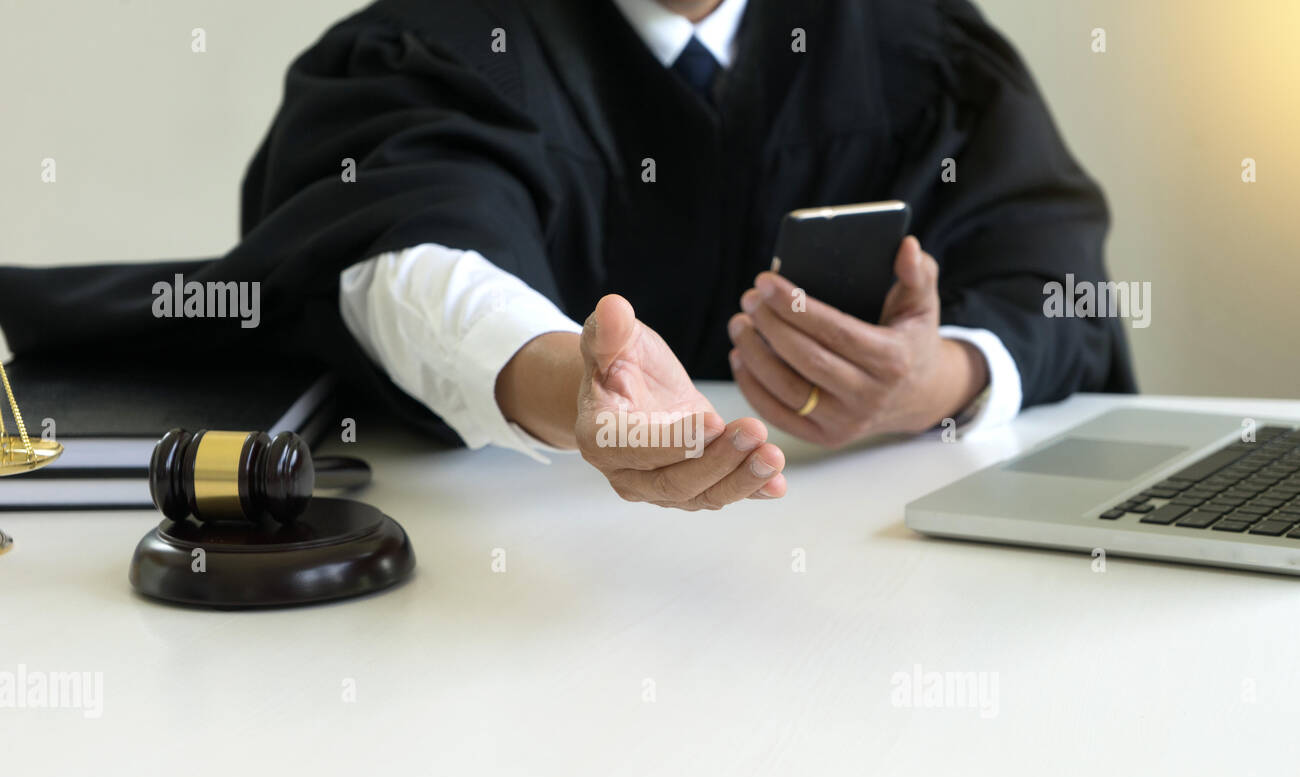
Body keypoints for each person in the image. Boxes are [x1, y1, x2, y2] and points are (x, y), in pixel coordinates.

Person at [0, 0, 1135, 512]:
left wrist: (929, 380)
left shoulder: (918, 43)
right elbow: (404, 249)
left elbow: (1052, 279)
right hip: (489, 608)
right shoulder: (450, 35)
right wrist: (565, 384)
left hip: (880, 586)